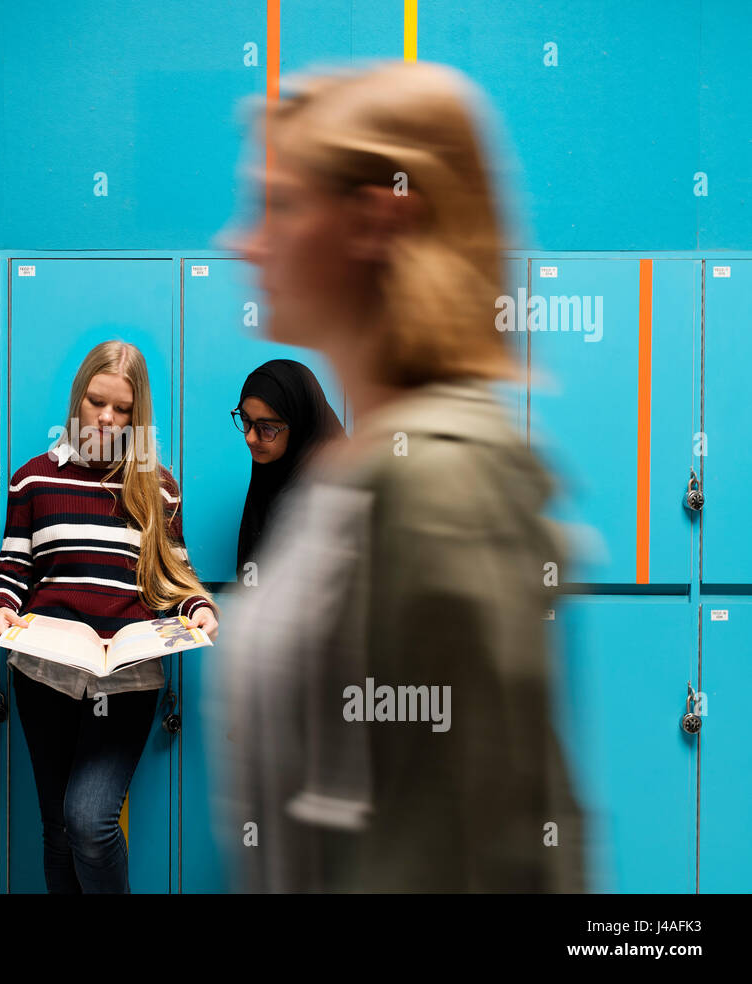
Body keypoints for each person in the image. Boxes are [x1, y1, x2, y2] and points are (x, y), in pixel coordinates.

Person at [216, 60, 585, 892]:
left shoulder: (443, 483)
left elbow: (484, 850)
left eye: (279, 205)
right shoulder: (355, 472)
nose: (241, 240)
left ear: (376, 219)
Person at [0, 339, 219, 893]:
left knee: (89, 822)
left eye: (123, 410)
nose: (108, 418)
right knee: (58, 831)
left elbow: (173, 581)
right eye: (97, 402)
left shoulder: (158, 487)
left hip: (127, 676)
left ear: (139, 416)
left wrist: (201, 609)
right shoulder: (32, 479)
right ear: (77, 399)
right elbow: (12, 573)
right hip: (46, 672)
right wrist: (1, 613)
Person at [233, 359, 346, 577]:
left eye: (266, 428)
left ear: (299, 426)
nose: (250, 437)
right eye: (245, 420)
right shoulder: (269, 477)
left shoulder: (340, 489)